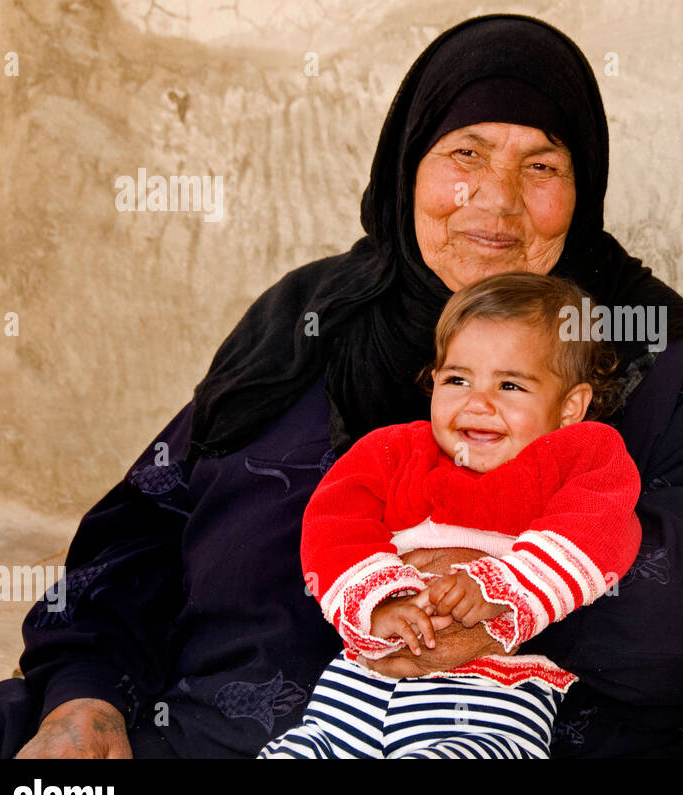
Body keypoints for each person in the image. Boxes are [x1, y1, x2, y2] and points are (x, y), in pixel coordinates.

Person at [0, 14, 683, 759]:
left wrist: (504, 599)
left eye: (541, 165)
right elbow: (144, 525)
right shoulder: (309, 319)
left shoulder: (639, 348)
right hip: (199, 733)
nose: (494, 201)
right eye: (465, 153)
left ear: (583, 192)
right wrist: (86, 692)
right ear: (407, 165)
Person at [260, 272, 642, 759]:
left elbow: (600, 528)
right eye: (457, 379)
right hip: (355, 693)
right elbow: (334, 525)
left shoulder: (581, 455)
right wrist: (382, 603)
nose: (477, 403)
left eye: (509, 385)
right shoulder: (394, 452)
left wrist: (497, 588)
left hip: (486, 702)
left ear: (570, 407)